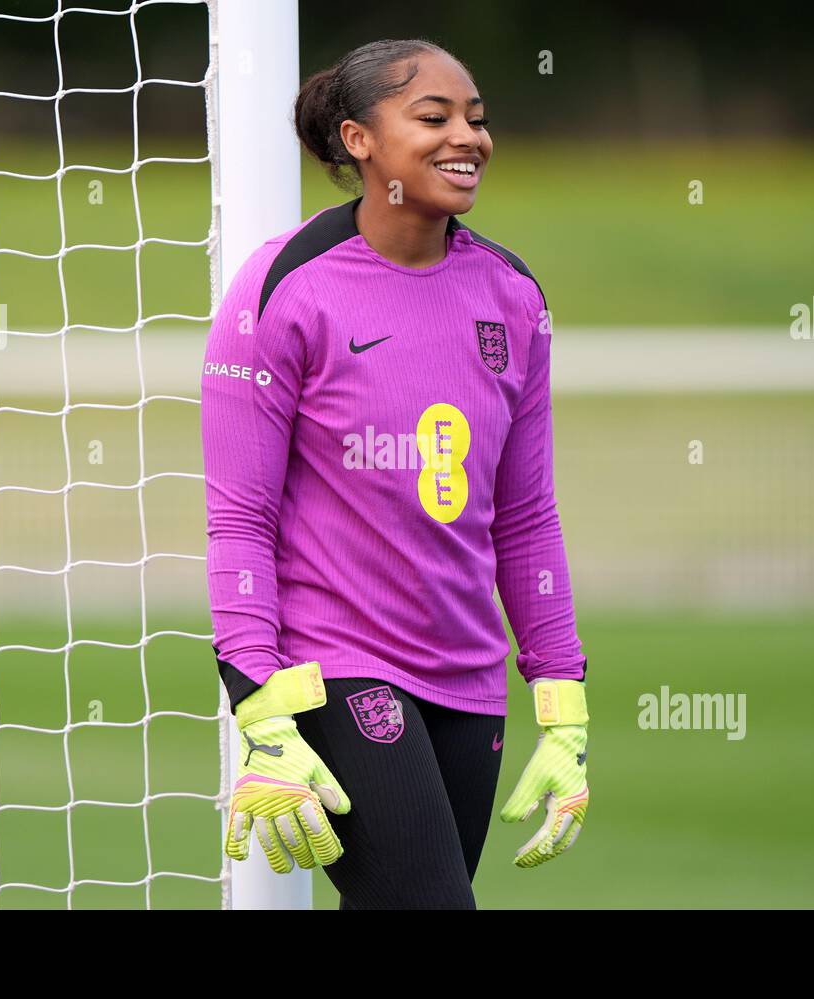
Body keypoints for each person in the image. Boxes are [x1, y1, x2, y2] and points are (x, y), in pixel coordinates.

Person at [201, 38, 589, 910]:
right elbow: (240, 519)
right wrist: (259, 705)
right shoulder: (284, 289)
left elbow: (525, 516)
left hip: (468, 676)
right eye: (434, 116)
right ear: (359, 138)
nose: (468, 136)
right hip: (335, 668)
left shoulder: (511, 295)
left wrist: (563, 704)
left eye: (477, 118)